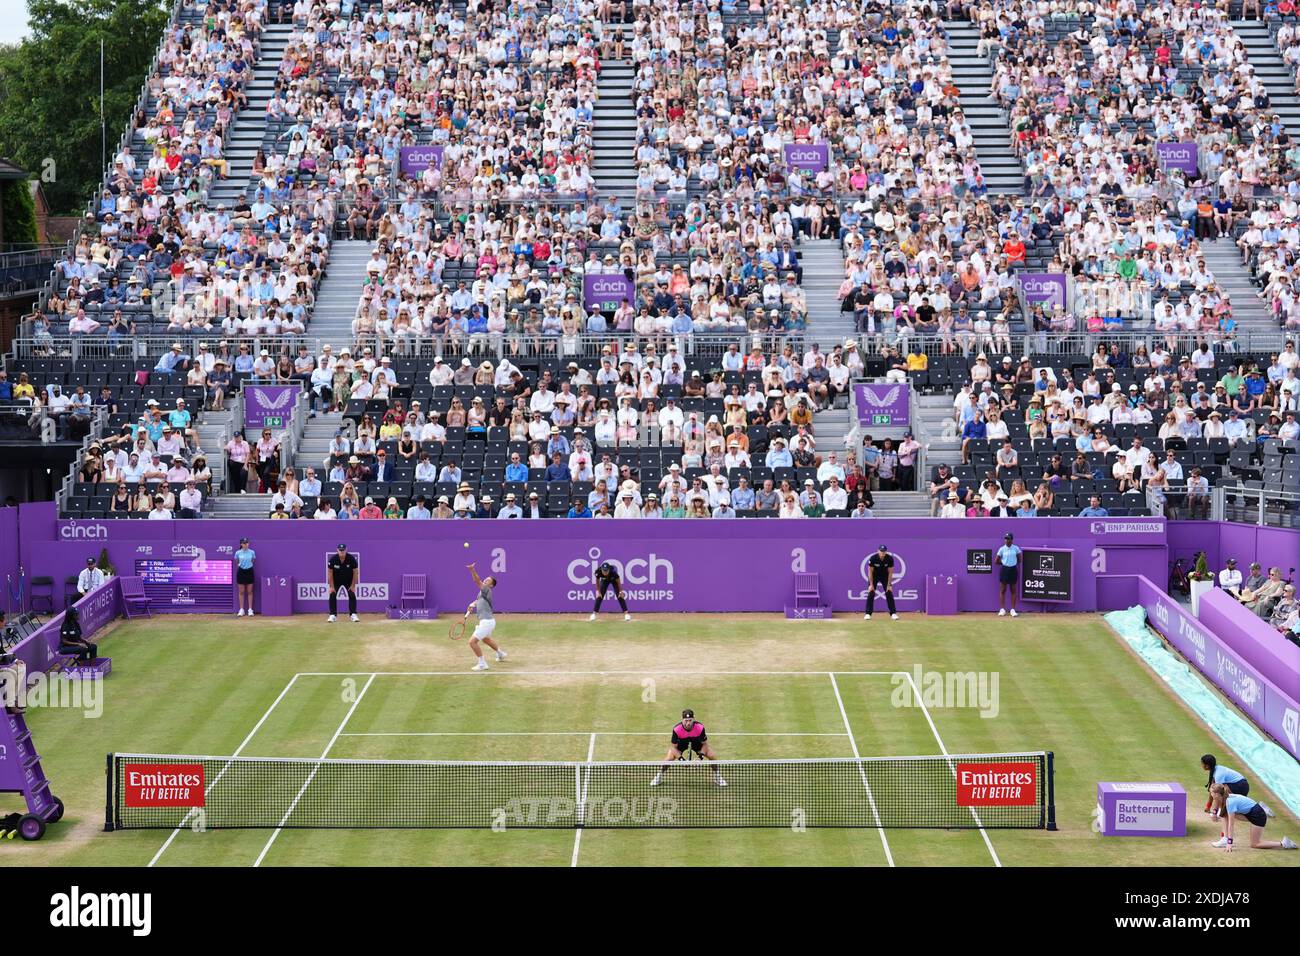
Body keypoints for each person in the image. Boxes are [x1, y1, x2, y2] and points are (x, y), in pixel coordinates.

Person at [649, 709, 726, 788]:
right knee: (668, 759)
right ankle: (659, 777)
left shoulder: (700, 727)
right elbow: (673, 748)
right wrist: (681, 760)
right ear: (682, 720)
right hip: (681, 744)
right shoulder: (677, 729)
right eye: (686, 720)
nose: (688, 723)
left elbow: (705, 744)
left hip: (697, 743)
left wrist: (700, 757)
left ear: (694, 719)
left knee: (712, 755)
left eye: (690, 720)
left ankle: (717, 777)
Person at [1208, 783, 1294, 851]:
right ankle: (1224, 839)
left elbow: (1231, 824)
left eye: (1212, 792)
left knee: (1255, 844)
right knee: (1224, 814)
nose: (1210, 793)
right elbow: (1222, 813)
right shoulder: (1224, 797)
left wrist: (1230, 843)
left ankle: (1284, 843)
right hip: (1251, 811)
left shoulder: (1229, 802)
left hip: (1258, 816)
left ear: (1217, 794)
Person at [465, 562, 506, 672]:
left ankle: (482, 664)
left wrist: (472, 570)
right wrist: (472, 605)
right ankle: (500, 654)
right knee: (486, 639)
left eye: (488, 581)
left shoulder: (487, 589)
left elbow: (476, 580)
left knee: (472, 642)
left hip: (487, 622)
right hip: (488, 621)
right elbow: (479, 601)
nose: (485, 580)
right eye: (485, 579)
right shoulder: (482, 593)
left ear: (491, 585)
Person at [863, 544, 898, 621]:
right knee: (871, 592)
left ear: (886, 552)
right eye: (881, 551)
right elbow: (870, 572)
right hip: (874, 576)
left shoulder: (890, 559)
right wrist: (871, 585)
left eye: (884, 551)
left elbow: (890, 572)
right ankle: (868, 613)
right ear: (878, 551)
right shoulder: (873, 558)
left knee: (889, 592)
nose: (882, 553)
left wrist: (889, 585)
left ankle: (893, 613)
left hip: (885, 576)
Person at [326, 543, 358, 623]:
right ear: (337, 550)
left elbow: (355, 572)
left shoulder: (351, 559)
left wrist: (353, 585)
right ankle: (333, 615)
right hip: (336, 580)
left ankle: (353, 614)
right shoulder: (333, 559)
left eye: (343, 550)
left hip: (348, 580)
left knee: (351, 594)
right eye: (340, 550)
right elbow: (330, 573)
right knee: (332, 594)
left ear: (346, 550)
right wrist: (332, 587)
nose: (341, 552)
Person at [995, 532, 1021, 617]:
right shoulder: (1001, 549)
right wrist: (1004, 563)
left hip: (1013, 569)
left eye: (1008, 538)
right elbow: (996, 561)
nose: (1006, 540)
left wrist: (1012, 564)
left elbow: (1020, 559)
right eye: (1005, 538)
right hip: (1004, 570)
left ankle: (1013, 610)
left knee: (1013, 590)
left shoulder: (1016, 548)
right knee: (1003, 590)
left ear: (1012, 540)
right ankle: (1002, 610)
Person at [235, 537, 256, 616]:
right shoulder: (238, 553)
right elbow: (237, 561)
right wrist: (241, 566)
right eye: (244, 543)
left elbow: (253, 560)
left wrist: (248, 566)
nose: (245, 544)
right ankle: (241, 610)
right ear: (241, 544)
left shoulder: (252, 552)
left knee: (250, 591)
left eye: (247, 543)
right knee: (241, 592)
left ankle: (250, 610)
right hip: (241, 572)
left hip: (249, 571)